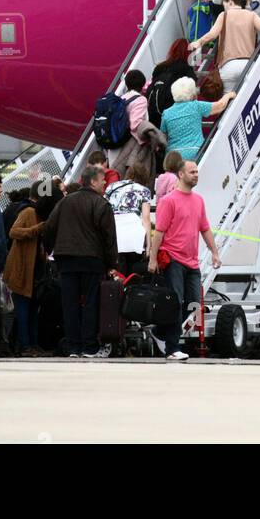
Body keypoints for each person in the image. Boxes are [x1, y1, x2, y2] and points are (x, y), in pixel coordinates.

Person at [41, 165, 119, 358]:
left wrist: (50, 249)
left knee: (70, 304)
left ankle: (73, 346)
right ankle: (89, 346)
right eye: (103, 181)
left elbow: (49, 227)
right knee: (91, 303)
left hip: (66, 259)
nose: (105, 184)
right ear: (93, 181)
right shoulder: (101, 204)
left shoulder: (65, 202)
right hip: (92, 260)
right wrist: (111, 264)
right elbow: (109, 238)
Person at [149, 160, 222, 361]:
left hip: (192, 261)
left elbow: (204, 228)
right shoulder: (169, 200)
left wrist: (214, 252)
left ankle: (160, 331)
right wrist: (153, 258)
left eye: (197, 171)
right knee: (175, 302)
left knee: (193, 304)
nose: (196, 175)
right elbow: (160, 232)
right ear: (181, 175)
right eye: (192, 172)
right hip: (173, 258)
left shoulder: (198, 200)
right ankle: (172, 348)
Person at [6, 180, 60, 356]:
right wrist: (37, 229)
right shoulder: (28, 212)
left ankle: (33, 344)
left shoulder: (43, 216)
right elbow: (13, 232)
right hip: (22, 269)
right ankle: (25, 346)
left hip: (36, 271)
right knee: (23, 310)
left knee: (33, 311)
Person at [189, 0, 260, 93]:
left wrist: (199, 42)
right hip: (248, 64)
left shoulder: (223, 16)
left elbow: (212, 34)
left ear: (230, 2)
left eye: (224, 4)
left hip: (228, 66)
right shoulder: (251, 15)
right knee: (251, 96)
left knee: (228, 100)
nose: (224, 7)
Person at [160, 76, 235, 163]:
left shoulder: (166, 113)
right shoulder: (196, 106)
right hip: (194, 152)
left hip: (173, 156)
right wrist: (229, 95)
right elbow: (220, 106)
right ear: (192, 93)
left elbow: (163, 134)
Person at [106, 163, 153, 277]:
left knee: (118, 275)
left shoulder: (111, 187)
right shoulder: (144, 190)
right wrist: (149, 245)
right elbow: (146, 218)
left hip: (114, 233)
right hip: (134, 233)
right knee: (133, 274)